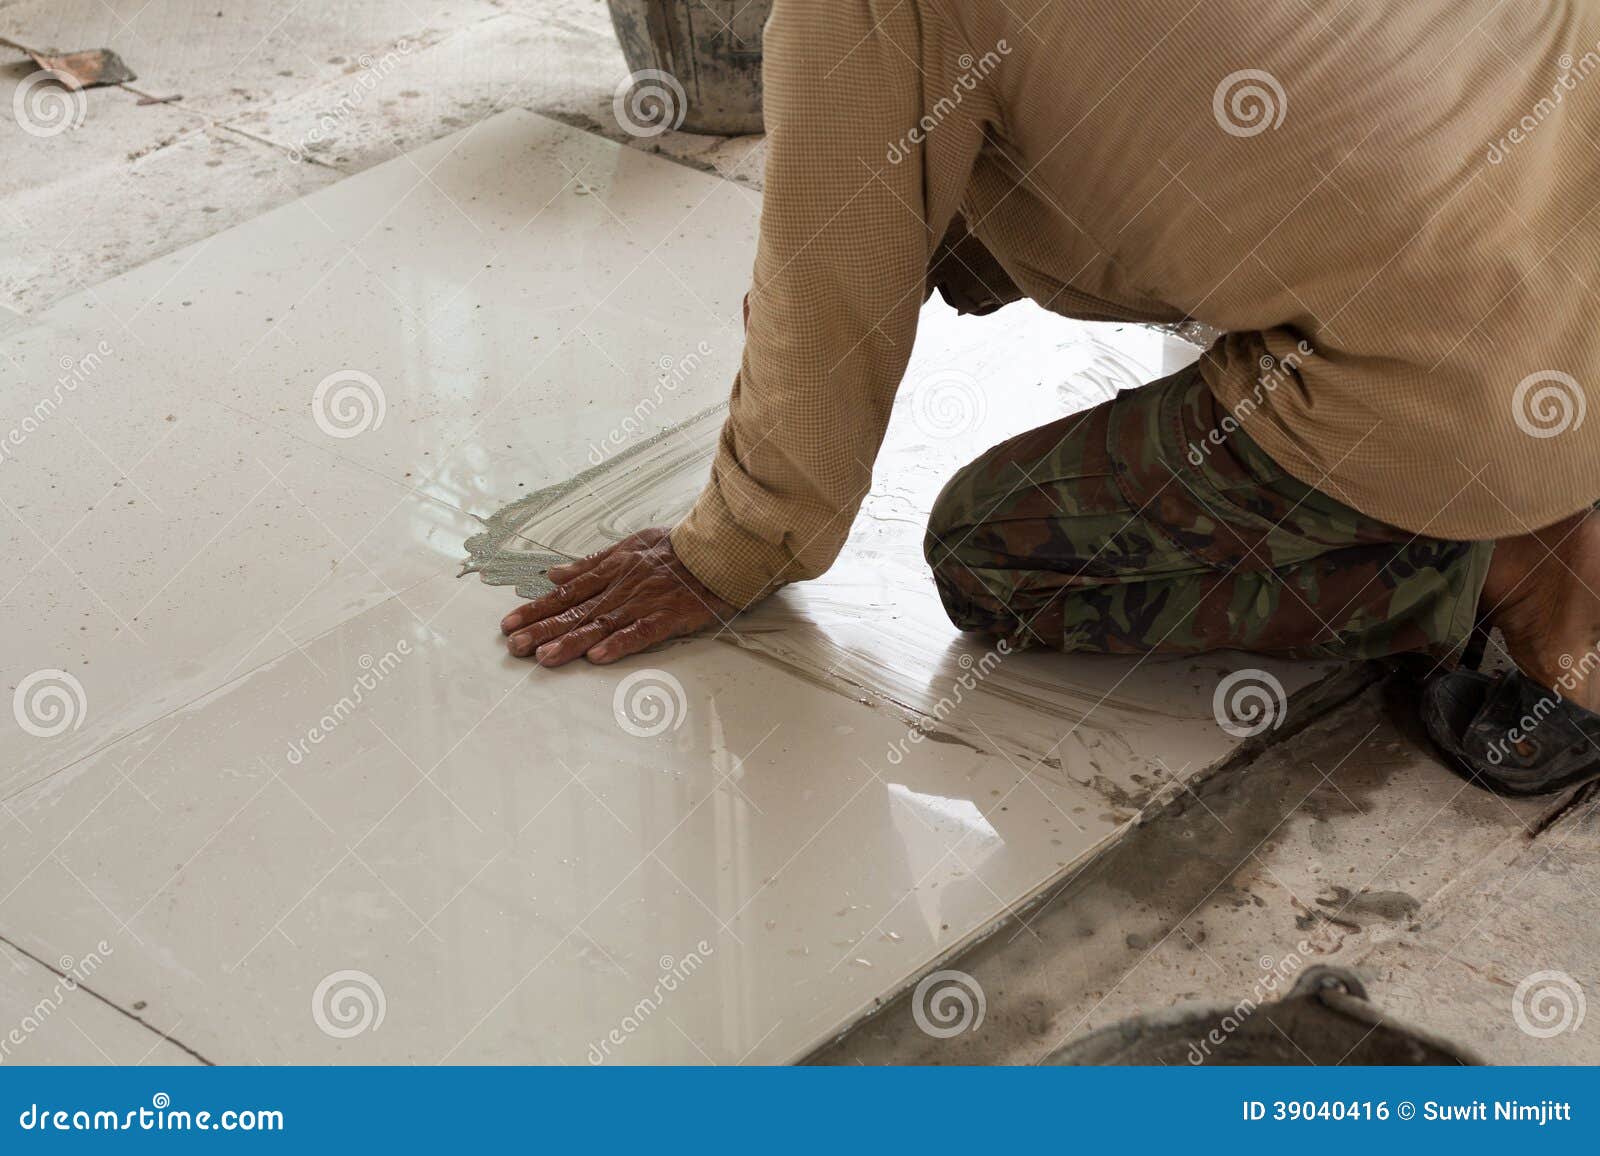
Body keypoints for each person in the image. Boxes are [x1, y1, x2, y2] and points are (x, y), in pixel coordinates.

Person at [498, 1, 1600, 788]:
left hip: (1467, 375)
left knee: (993, 556)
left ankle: (1504, 556)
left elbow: (826, 295)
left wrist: (731, 543)